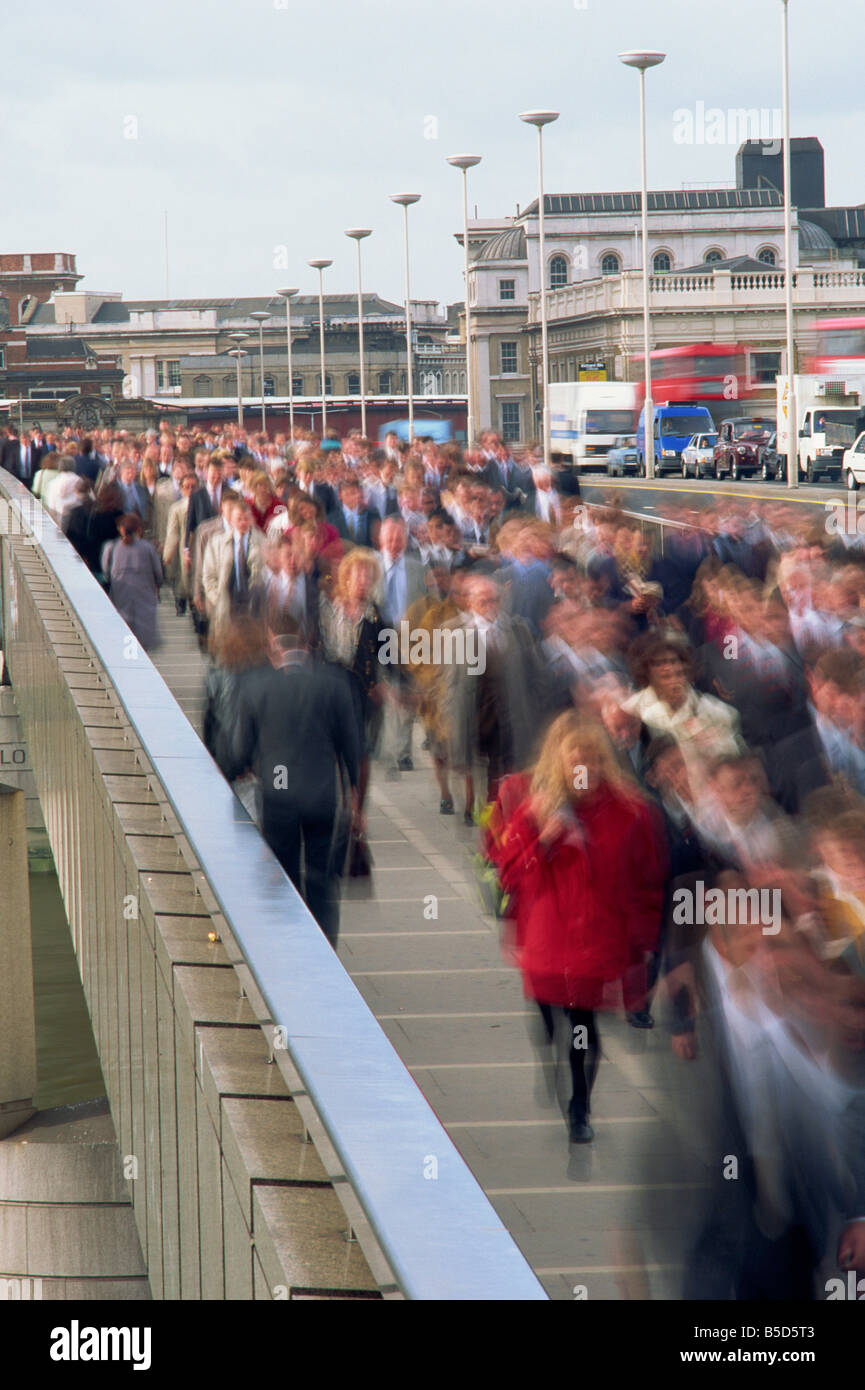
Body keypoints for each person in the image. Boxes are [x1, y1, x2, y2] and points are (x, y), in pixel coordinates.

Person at [493, 712, 667, 1144]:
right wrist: (544, 840)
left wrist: (644, 941)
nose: (584, 766)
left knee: (584, 1026)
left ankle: (580, 1107)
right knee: (552, 1020)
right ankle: (559, 1071)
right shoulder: (536, 810)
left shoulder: (629, 813)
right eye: (576, 758)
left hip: (597, 938)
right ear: (561, 762)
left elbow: (648, 878)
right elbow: (508, 874)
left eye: (592, 757)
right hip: (549, 936)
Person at [233, 616, 361, 947]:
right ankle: (325, 946)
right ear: (304, 646)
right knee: (321, 880)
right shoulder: (334, 685)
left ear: (274, 648)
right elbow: (353, 750)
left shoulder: (256, 687)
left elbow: (238, 753)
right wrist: (356, 799)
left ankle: (289, 945)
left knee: (283, 877)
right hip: (321, 798)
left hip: (278, 800)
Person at [318, 547, 385, 825]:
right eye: (359, 574)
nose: (364, 580)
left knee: (361, 749)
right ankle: (340, 801)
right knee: (334, 748)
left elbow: (387, 653)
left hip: (363, 691)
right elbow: (317, 645)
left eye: (369, 576)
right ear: (346, 576)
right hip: (332, 687)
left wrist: (384, 683)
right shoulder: (327, 608)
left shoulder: (375, 614)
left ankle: (357, 805)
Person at [201, 498, 266, 635]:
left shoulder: (262, 541)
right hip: (227, 603)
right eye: (239, 519)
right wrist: (218, 599)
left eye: (246, 518)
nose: (243, 522)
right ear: (230, 520)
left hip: (253, 604)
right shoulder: (217, 542)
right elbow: (208, 576)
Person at [101, 513, 163, 651]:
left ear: (120, 529)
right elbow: (158, 573)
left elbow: (106, 573)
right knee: (143, 643)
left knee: (123, 637)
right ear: (138, 529)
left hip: (120, 598)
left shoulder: (111, 548)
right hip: (144, 599)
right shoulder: (147, 548)